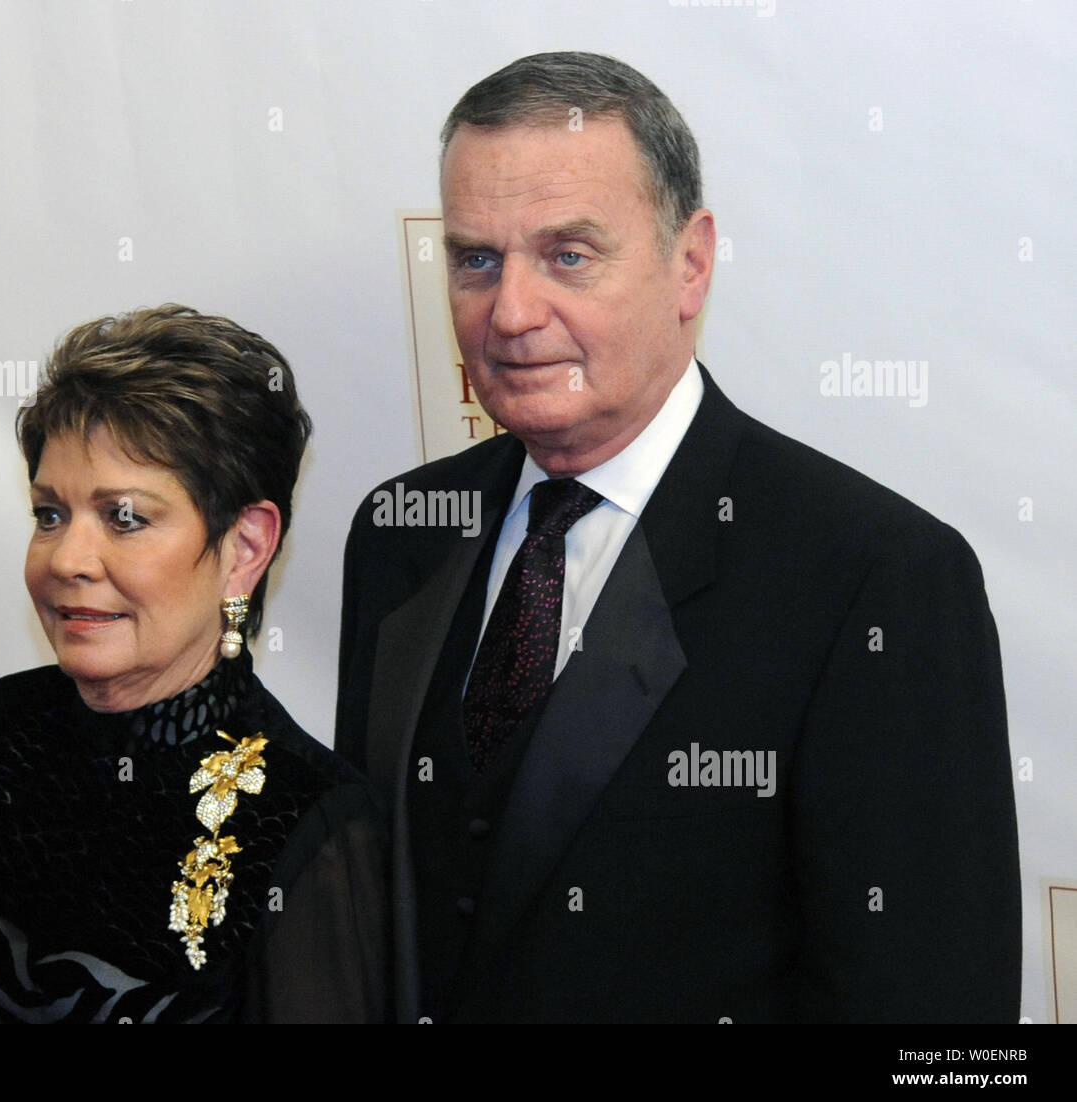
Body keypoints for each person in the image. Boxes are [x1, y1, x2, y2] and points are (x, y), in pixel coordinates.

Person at [335, 52, 1020, 1023]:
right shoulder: (399, 533)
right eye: (476, 260)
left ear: (689, 263)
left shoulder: (874, 578)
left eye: (568, 255)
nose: (512, 313)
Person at [0, 305, 387, 1023]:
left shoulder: (312, 820)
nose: (67, 559)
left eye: (124, 517)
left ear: (245, 547)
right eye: (49, 514)